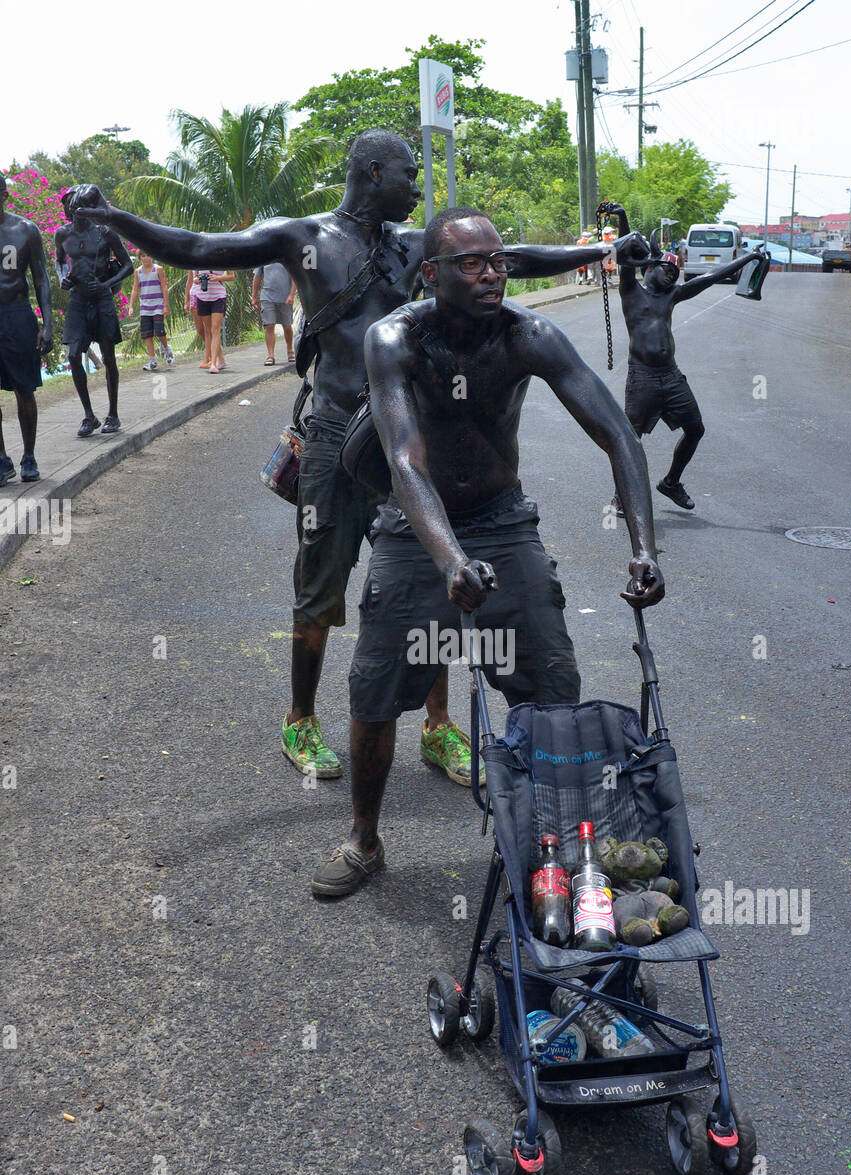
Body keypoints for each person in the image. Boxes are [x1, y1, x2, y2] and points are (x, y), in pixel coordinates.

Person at [67, 133, 616, 785]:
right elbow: (198, 248)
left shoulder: (415, 249)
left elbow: (513, 257)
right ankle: (300, 718)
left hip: (410, 447)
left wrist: (600, 250)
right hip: (335, 439)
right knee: (321, 588)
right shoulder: (305, 239)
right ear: (374, 172)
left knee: (437, 579)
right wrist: (113, 218)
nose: (416, 188)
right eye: (409, 176)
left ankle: (437, 727)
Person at [310, 207, 665, 898]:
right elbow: (405, 463)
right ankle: (363, 837)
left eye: (498, 261)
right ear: (430, 274)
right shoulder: (395, 339)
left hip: (503, 521)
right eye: (471, 263)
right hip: (415, 528)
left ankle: (555, 848)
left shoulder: (529, 335)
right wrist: (448, 562)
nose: (491, 274)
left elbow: (618, 435)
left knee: (554, 688)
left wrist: (643, 547)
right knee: (375, 688)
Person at [607, 205, 765, 512]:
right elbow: (626, 249)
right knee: (631, 438)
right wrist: (622, 215)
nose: (670, 275)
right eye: (665, 269)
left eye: (674, 273)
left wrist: (749, 256)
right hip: (642, 379)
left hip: (670, 376)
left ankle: (671, 482)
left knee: (696, 429)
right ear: (648, 268)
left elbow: (711, 276)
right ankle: (620, 495)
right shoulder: (631, 290)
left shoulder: (672, 296)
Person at [54, 189, 133, 437]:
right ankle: (89, 415)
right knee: (73, 354)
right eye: (71, 210)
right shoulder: (62, 234)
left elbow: (128, 265)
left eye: (78, 209)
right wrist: (61, 278)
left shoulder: (104, 232)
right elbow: (59, 261)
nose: (74, 214)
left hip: (101, 297)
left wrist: (106, 285)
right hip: (78, 298)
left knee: (109, 356)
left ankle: (113, 414)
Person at [0, 172, 54, 485]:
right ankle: (2, 458)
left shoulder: (25, 230)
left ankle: (29, 455)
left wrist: (47, 323)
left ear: (5, 194)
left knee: (24, 389)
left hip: (17, 314)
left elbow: (42, 279)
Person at [127, 252, 174, 371]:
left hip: (158, 304)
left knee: (159, 330)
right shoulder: (138, 272)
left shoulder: (158, 269)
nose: (146, 258)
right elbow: (135, 289)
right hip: (145, 307)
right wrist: (131, 306)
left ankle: (167, 349)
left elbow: (164, 287)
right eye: (143, 256)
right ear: (139, 258)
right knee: (147, 334)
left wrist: (166, 306)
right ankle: (152, 360)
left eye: (148, 255)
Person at [253, 263, 296, 365]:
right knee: (269, 325)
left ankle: (290, 350)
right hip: (267, 297)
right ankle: (270, 355)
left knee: (287, 326)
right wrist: (254, 296)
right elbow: (257, 276)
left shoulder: (286, 255)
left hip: (285, 298)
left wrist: (291, 295)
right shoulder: (264, 257)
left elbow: (295, 277)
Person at [193, 268, 233, 373]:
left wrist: (218, 278)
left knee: (215, 329)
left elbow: (231, 276)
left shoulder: (223, 258)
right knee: (208, 331)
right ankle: (222, 360)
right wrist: (196, 280)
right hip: (202, 296)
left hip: (218, 297)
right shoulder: (199, 258)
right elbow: (195, 277)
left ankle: (214, 364)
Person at [185, 269, 207, 364]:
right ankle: (211, 348)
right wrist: (186, 301)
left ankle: (211, 354)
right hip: (194, 295)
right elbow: (189, 281)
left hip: (206, 295)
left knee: (208, 328)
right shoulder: (192, 264)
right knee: (200, 329)